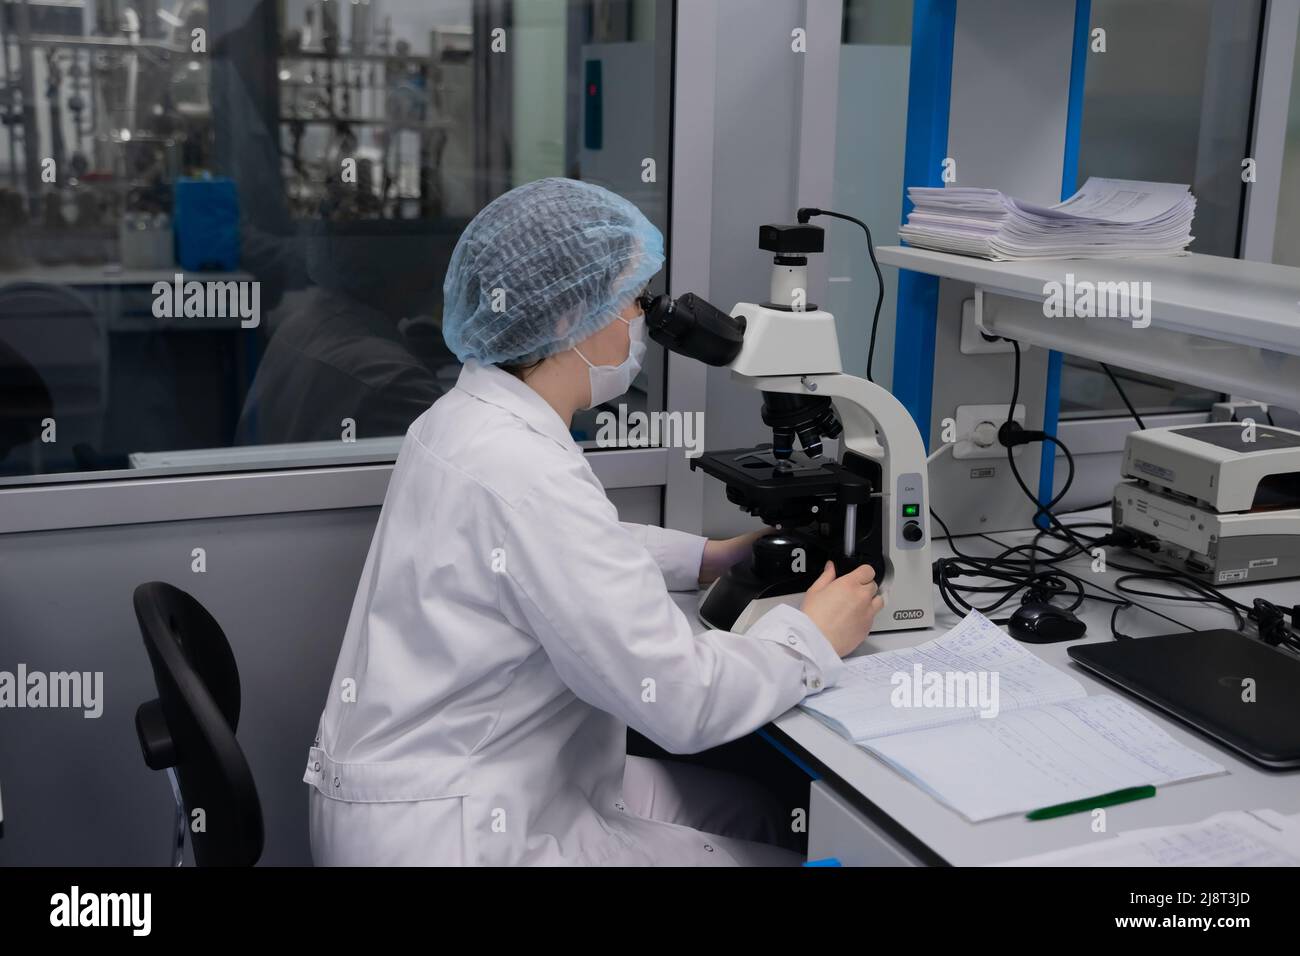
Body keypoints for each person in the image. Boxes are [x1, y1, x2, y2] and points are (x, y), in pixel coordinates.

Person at [304, 178, 886, 866]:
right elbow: (683, 701)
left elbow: (564, 548)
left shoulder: (462, 419)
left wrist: (710, 556)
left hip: (472, 776)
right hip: (456, 829)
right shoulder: (524, 469)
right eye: (633, 301)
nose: (643, 322)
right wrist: (811, 640)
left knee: (764, 813)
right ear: (563, 319)